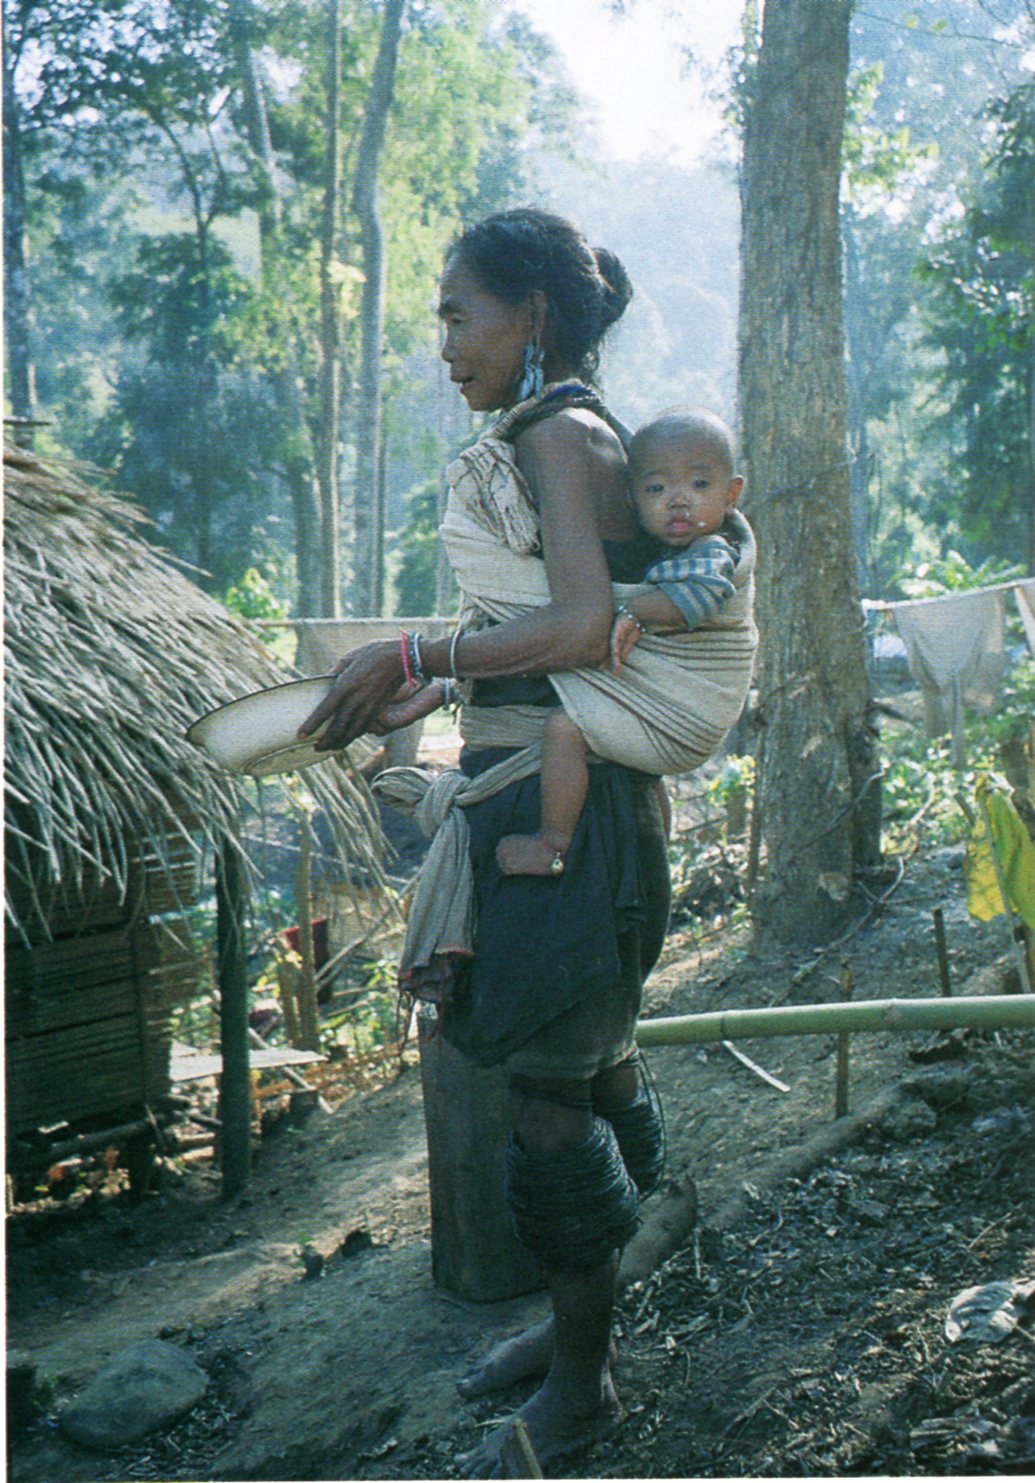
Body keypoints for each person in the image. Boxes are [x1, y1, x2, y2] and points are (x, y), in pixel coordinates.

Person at [297, 207, 707, 1474]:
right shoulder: (553, 434)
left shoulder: (566, 435)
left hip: (567, 818)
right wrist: (447, 683)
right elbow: (544, 622)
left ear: (529, 313)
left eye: (455, 314)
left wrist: (420, 651)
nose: (443, 344)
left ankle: (582, 1388)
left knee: (546, 1103)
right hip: (546, 795)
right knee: (590, 1071)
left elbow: (585, 626)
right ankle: (605, 1298)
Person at [496, 406, 748, 877]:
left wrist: (635, 610)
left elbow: (700, 598)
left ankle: (553, 841)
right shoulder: (654, 554)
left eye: (699, 485)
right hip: (645, 703)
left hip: (682, 705)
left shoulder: (712, 550)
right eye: (657, 488)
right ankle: (658, 847)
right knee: (642, 777)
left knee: (564, 730)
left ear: (731, 494)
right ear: (632, 498)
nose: (678, 501)